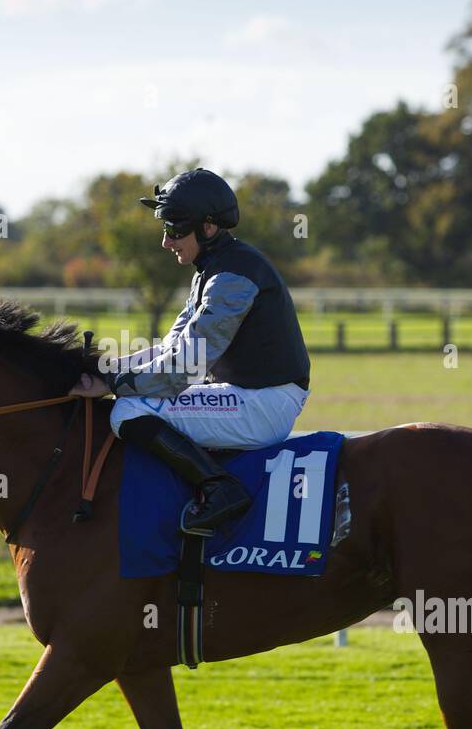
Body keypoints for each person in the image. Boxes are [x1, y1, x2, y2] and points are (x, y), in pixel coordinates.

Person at [68, 168, 311, 535]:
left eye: (174, 229)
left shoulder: (232, 277)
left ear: (208, 228)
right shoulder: (212, 271)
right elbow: (169, 349)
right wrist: (104, 370)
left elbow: (184, 368)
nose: (167, 242)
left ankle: (221, 489)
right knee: (132, 399)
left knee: (128, 410)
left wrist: (115, 382)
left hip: (265, 404)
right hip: (250, 395)